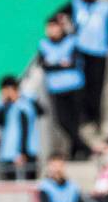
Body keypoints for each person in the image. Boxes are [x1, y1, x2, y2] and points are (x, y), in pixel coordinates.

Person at [39, 12, 91, 160]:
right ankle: (85, 147)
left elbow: (73, 63)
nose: (51, 31)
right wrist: (60, 64)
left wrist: (54, 64)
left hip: (74, 85)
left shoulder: (71, 41)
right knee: (62, 121)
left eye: (54, 27)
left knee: (74, 121)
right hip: (56, 88)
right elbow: (44, 65)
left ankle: (76, 151)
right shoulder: (43, 44)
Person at [71, 0, 108, 125]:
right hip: (82, 50)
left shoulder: (104, 7)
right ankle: (85, 115)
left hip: (99, 52)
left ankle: (96, 116)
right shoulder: (76, 4)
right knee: (83, 85)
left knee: (97, 85)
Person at [0, 75, 41, 179]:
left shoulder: (25, 104)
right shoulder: (2, 105)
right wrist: (3, 105)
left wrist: (22, 152)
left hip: (27, 149)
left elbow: (26, 129)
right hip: (8, 151)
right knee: (9, 185)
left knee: (30, 181)